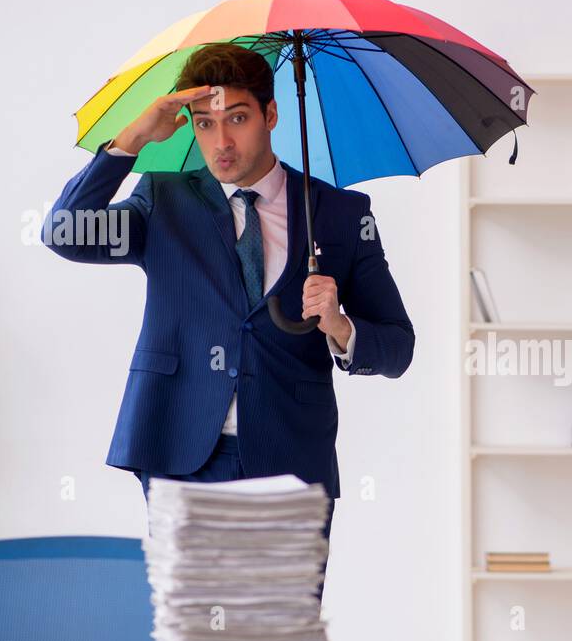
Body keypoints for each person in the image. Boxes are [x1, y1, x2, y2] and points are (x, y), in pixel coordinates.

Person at [42, 42, 415, 601]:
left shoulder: (340, 214)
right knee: (195, 634)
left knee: (281, 634)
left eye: (237, 119)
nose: (221, 142)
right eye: (204, 123)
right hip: (181, 449)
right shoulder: (163, 199)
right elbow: (65, 234)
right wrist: (133, 139)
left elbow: (398, 347)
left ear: (269, 115)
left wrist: (339, 325)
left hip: (289, 455)